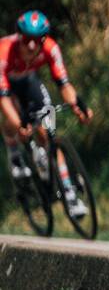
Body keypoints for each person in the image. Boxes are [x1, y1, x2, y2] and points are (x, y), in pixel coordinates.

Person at [0, 11, 94, 217]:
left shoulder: (51, 48)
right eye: (26, 39)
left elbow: (64, 84)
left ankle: (69, 194)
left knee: (47, 131)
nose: (32, 46)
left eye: (37, 40)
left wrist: (79, 107)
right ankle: (14, 152)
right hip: (7, 86)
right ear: (18, 36)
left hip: (29, 81)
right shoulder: (4, 51)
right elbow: (4, 99)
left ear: (44, 38)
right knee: (14, 119)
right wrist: (19, 125)